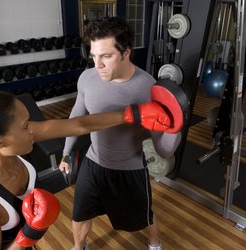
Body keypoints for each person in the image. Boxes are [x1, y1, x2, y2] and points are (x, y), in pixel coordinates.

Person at [0, 90, 172, 249]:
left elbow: (80, 125)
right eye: (25, 126)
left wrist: (133, 114)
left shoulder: (11, 144)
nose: (33, 130)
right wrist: (31, 232)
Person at [59, 17, 182, 250]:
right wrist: (66, 153)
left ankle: (155, 243)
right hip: (93, 163)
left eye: (106, 56)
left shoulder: (148, 88)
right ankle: (78, 247)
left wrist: (175, 126)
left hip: (130, 169)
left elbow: (163, 149)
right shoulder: (87, 78)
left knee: (142, 218)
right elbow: (77, 118)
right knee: (80, 215)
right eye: (94, 55)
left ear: (126, 52)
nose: (97, 65)